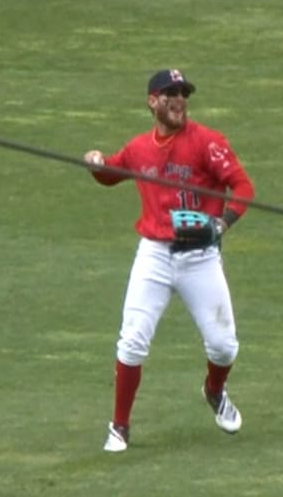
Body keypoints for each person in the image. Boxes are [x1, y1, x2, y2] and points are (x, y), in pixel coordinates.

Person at [84, 69, 255, 453]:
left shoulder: (207, 142)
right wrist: (95, 162)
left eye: (183, 94)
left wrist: (221, 224)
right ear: (152, 102)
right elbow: (112, 172)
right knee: (131, 341)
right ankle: (120, 427)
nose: (179, 100)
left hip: (200, 257)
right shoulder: (139, 148)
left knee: (224, 346)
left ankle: (214, 390)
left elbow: (243, 186)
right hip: (155, 254)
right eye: (170, 94)